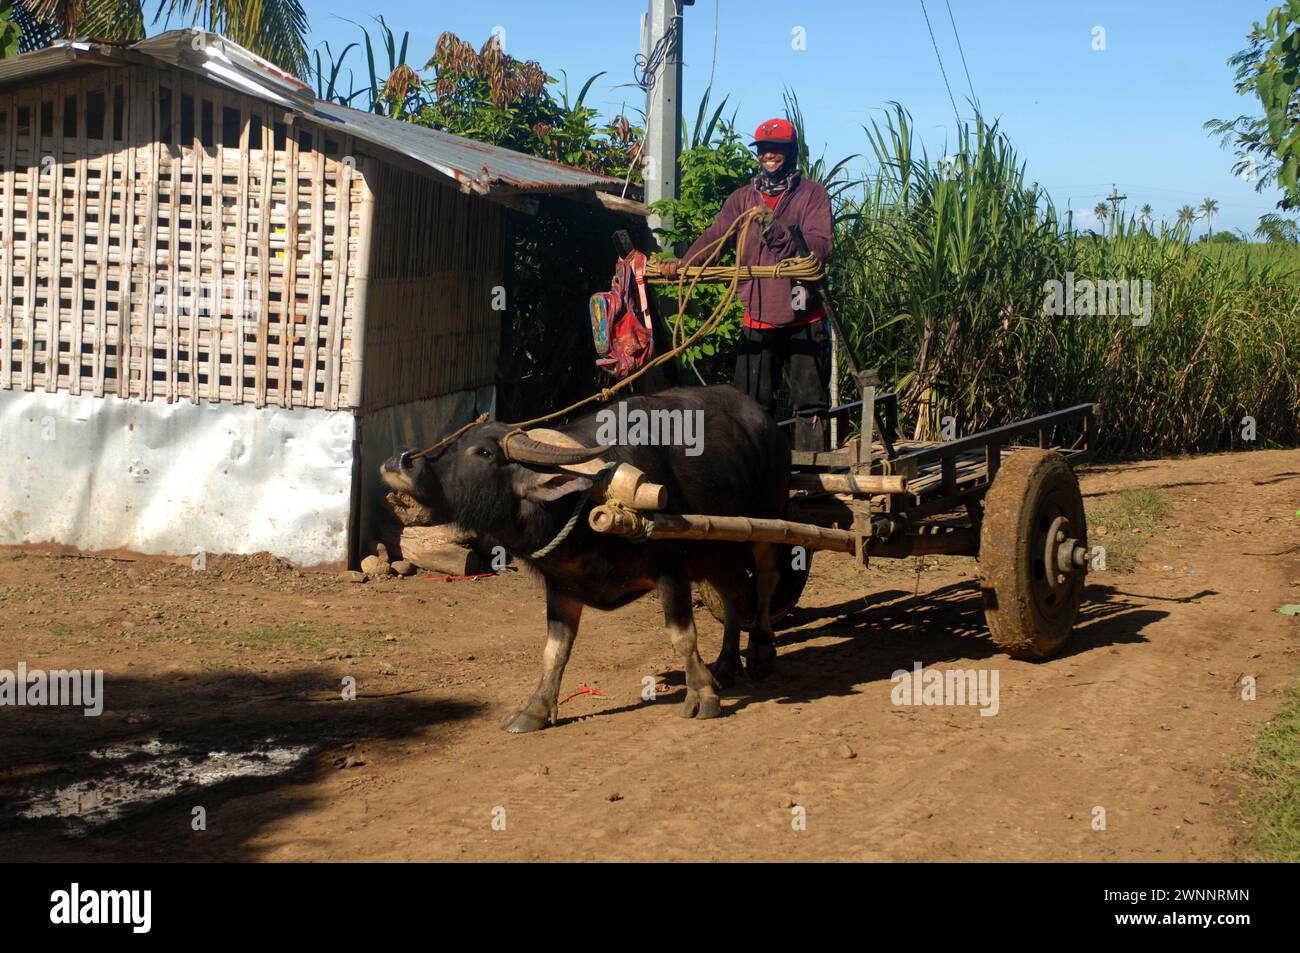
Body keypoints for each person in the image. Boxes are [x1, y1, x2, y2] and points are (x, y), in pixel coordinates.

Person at [660, 117, 833, 452]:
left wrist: (776, 230)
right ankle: (757, 476)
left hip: (803, 315)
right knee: (750, 406)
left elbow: (820, 248)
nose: (769, 154)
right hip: (757, 314)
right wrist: (683, 266)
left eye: (777, 149)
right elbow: (715, 237)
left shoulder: (812, 196)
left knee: (809, 404)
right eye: (764, 149)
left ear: (791, 152)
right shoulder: (742, 198)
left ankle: (816, 482)